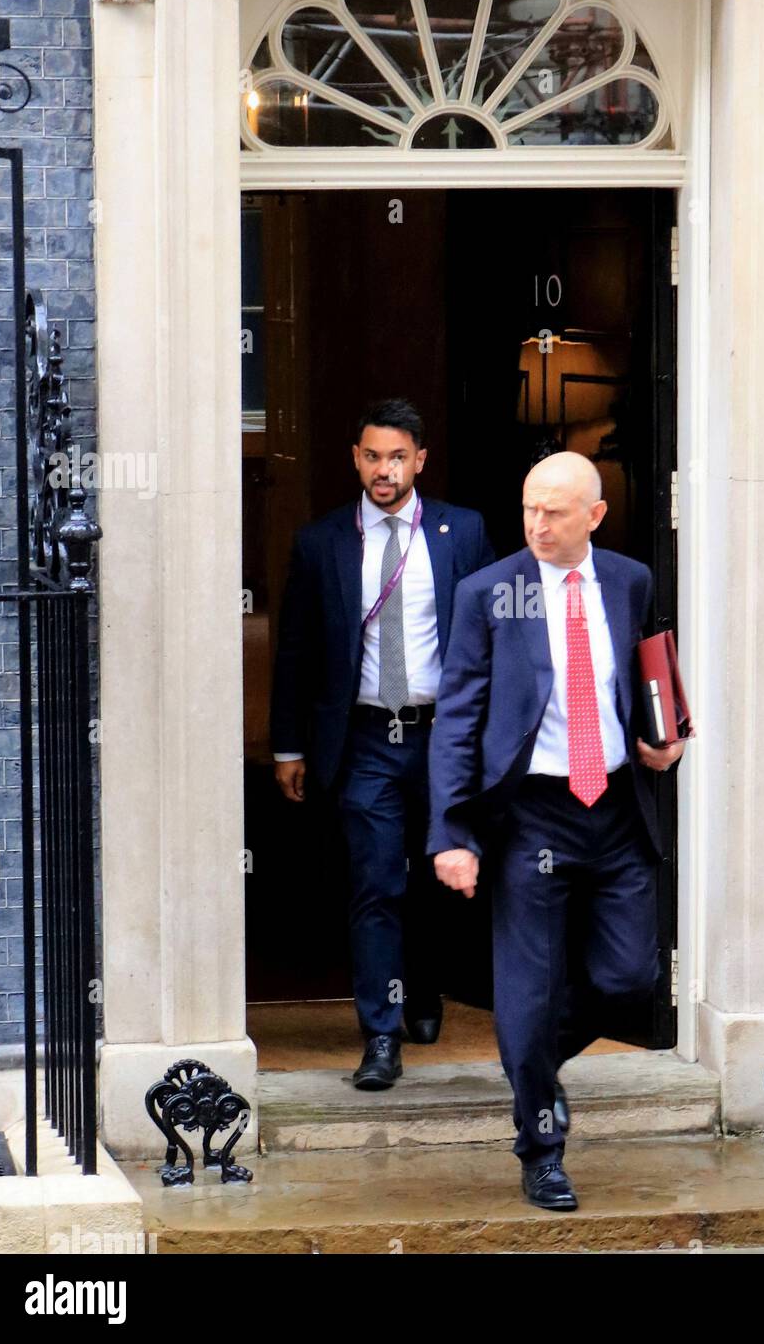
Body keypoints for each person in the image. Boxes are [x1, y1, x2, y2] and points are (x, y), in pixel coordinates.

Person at [427, 451, 687, 1210]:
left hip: (614, 807)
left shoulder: (628, 580)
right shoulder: (487, 593)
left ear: (594, 516)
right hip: (531, 813)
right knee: (528, 997)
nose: (538, 525)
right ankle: (541, 1144)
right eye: (529, 509)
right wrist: (451, 833)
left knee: (630, 981)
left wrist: (666, 734)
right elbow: (458, 719)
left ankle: (531, 1059)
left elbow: (649, 667)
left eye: (556, 512)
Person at [270, 398, 494, 1090]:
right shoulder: (323, 542)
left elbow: (493, 639)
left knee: (434, 874)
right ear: (356, 459)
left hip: (443, 738)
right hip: (364, 738)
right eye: (372, 456)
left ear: (419, 461)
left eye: (397, 457)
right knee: (374, 882)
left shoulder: (464, 532)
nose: (384, 469)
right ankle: (381, 1035)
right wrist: (288, 746)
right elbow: (296, 652)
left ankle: (421, 989)